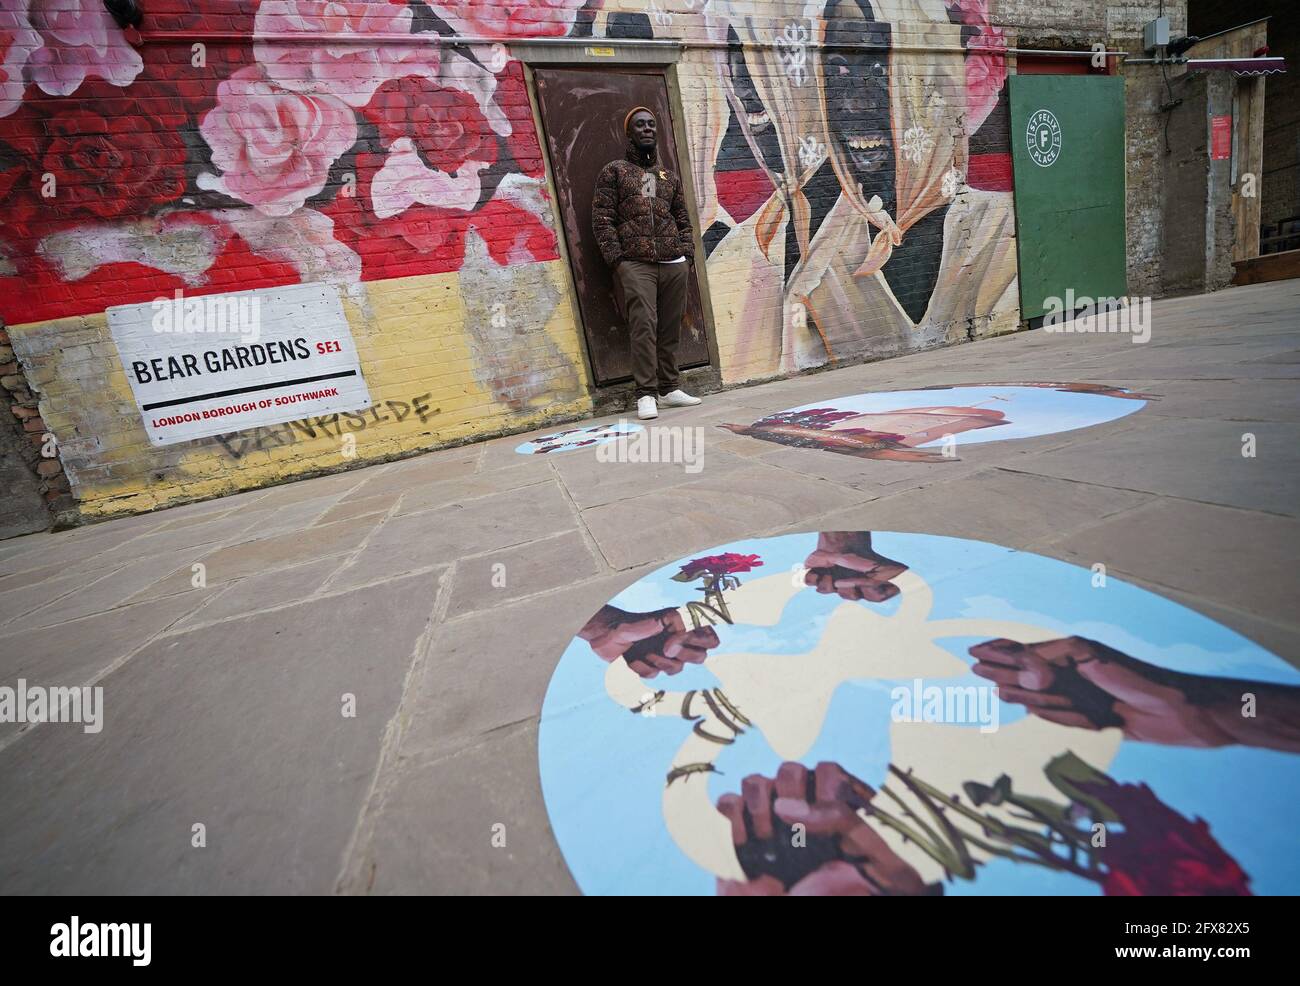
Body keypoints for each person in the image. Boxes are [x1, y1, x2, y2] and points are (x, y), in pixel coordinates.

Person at [592, 106, 703, 420]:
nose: (647, 129)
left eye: (651, 124)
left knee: (670, 327)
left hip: (673, 262)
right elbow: (602, 219)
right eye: (640, 125)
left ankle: (668, 389)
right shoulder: (615, 171)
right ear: (629, 133)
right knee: (643, 326)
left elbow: (683, 219)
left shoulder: (667, 176)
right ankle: (646, 393)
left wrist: (687, 255)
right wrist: (618, 261)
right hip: (636, 263)